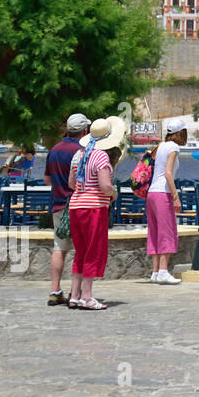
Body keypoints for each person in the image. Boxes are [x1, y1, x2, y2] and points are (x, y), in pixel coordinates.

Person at [67, 116, 126, 310]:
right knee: (93, 251)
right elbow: (105, 186)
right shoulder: (101, 156)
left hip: (76, 207)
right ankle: (87, 296)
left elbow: (71, 184)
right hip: (94, 208)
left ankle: (74, 295)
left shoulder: (79, 155)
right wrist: (114, 193)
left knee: (80, 252)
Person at [44, 114, 90, 307]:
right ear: (84, 131)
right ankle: (76, 292)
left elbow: (47, 179)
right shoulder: (81, 150)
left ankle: (55, 291)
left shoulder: (54, 150)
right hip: (77, 204)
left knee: (59, 248)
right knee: (81, 249)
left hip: (58, 204)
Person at [147, 118, 185, 285]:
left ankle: (155, 272)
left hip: (152, 193)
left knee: (155, 232)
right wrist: (176, 197)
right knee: (167, 232)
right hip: (163, 193)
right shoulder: (174, 147)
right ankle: (163, 271)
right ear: (180, 133)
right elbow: (168, 173)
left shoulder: (161, 145)